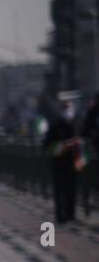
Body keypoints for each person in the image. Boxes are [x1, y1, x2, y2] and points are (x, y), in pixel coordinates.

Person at [43, 91, 83, 224]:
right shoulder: (55, 125)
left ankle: (71, 215)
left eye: (69, 108)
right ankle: (61, 217)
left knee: (72, 190)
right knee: (60, 191)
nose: (68, 111)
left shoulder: (75, 123)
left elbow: (81, 140)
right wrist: (64, 145)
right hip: (59, 164)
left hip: (72, 162)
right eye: (66, 109)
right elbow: (47, 146)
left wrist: (78, 151)